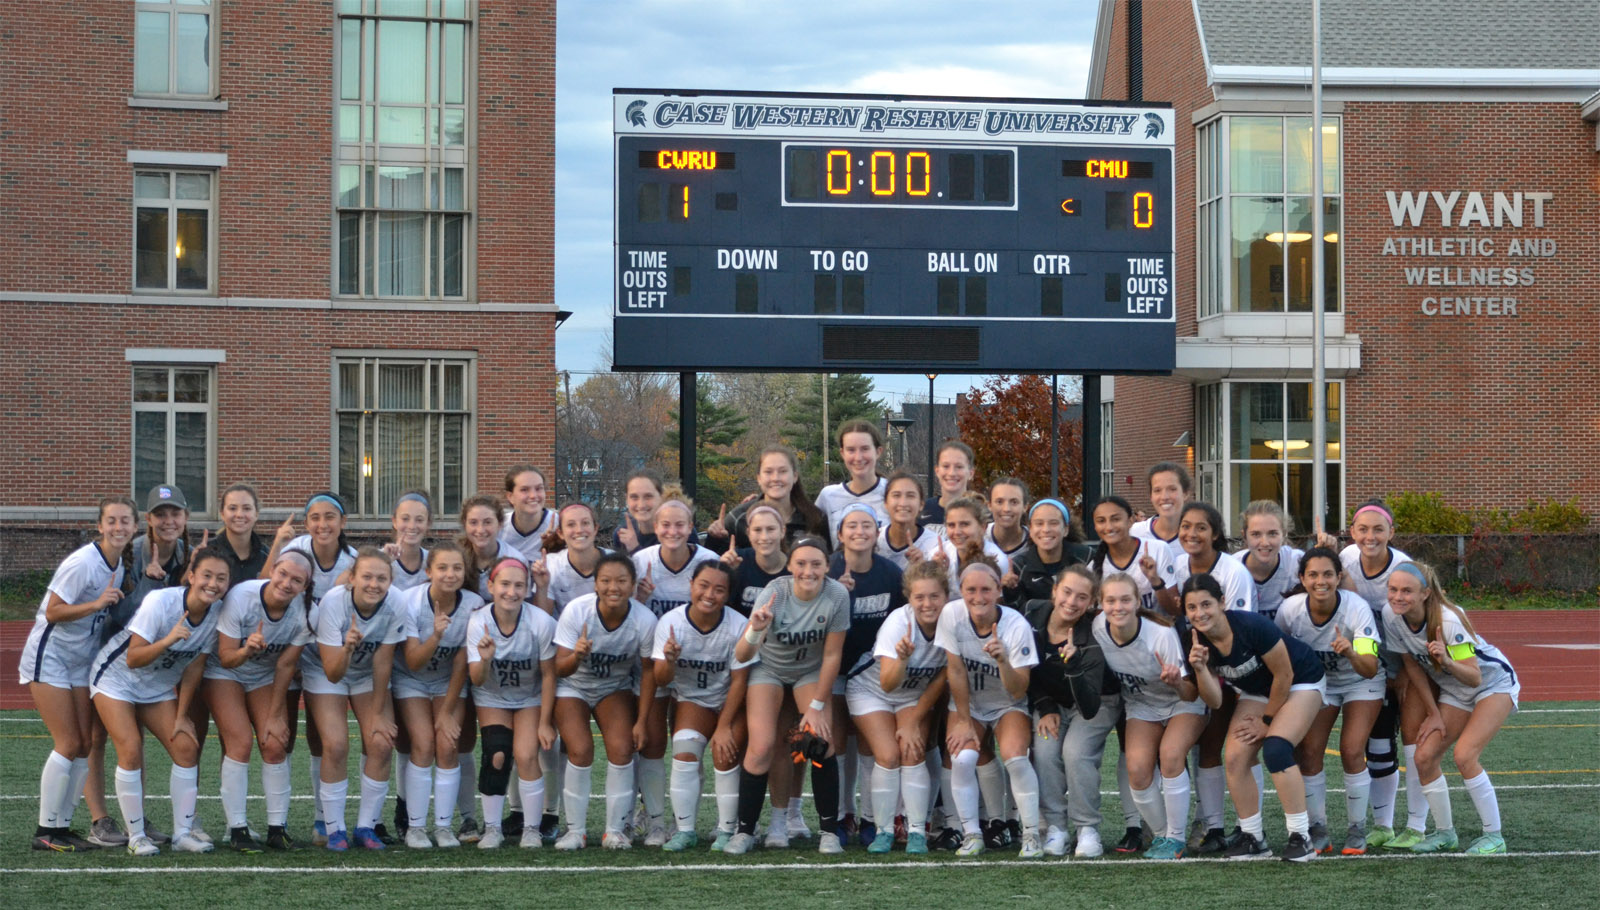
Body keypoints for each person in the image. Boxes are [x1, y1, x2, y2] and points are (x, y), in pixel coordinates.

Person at [90, 549, 232, 855]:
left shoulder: (217, 612)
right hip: (116, 679)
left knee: (186, 746)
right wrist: (168, 639)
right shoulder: (162, 602)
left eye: (221, 578)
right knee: (130, 747)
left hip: (157, 687)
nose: (213, 583)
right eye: (207, 575)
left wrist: (182, 715)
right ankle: (136, 836)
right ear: (191, 576)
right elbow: (132, 658)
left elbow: (195, 666)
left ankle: (182, 834)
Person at [1176, 574, 1327, 862]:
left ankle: (1301, 836)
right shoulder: (1193, 641)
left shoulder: (1250, 625)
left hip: (1300, 680)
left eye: (1206, 604)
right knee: (1234, 757)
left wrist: (1267, 721)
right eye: (1192, 607)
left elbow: (1284, 675)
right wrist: (1199, 668)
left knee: (1276, 747)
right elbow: (1215, 700)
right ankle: (1253, 837)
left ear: (1222, 602)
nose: (1200, 613)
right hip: (1256, 690)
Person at [85, 484, 197, 848]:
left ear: (185, 517)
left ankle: (138, 817)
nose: (168, 521)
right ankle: (99, 819)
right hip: (106, 652)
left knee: (135, 743)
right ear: (148, 520)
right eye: (160, 514)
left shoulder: (188, 556)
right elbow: (115, 613)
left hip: (149, 664)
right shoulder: (130, 552)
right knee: (99, 738)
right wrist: (148, 583)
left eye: (175, 513)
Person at [22, 495, 135, 852]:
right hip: (51, 656)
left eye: (125, 521)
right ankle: (45, 829)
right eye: (112, 521)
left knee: (86, 743)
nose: (118, 527)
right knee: (69, 742)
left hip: (79, 660)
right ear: (100, 526)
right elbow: (53, 612)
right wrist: (96, 604)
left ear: (135, 527)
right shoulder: (83, 562)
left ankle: (64, 826)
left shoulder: (119, 564)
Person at [724, 538, 851, 856]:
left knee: (820, 741)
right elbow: (742, 653)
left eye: (816, 564)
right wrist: (755, 629)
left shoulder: (836, 594)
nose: (808, 570)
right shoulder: (774, 593)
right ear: (790, 566)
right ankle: (745, 831)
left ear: (827, 566)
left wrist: (818, 707)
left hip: (809, 672)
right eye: (801, 563)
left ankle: (828, 831)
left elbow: (833, 656)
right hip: (768, 669)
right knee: (762, 746)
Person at [1383, 562, 1518, 856]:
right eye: (1393, 589)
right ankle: (1445, 833)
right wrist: (1433, 713)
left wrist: (1445, 662)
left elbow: (1474, 676)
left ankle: (1494, 836)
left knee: (1465, 755)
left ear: (1425, 594)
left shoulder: (1448, 619)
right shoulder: (1391, 616)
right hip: (1455, 690)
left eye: (1407, 590)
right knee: (1424, 756)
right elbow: (1411, 665)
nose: (1398, 596)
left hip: (1492, 684)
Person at [202, 550, 314, 852]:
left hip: (264, 674)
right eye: (283, 574)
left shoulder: (303, 612)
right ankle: (237, 828)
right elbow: (226, 658)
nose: (287, 583)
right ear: (272, 570)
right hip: (226, 670)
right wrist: (247, 650)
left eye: (297, 580)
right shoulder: (242, 596)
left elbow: (285, 666)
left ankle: (277, 828)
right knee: (239, 742)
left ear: (305, 586)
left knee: (275, 742)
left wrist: (277, 715)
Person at [1274, 546, 1384, 855]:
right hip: (1319, 683)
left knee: (1351, 750)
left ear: (1339, 577)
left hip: (1361, 682)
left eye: (1327, 574)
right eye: (1312, 575)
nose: (1320, 581)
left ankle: (1356, 828)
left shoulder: (1356, 608)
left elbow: (1370, 668)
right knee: (1309, 751)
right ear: (1302, 578)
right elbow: (1277, 655)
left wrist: (1350, 651)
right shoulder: (1291, 610)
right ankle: (1318, 827)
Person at [1091, 572, 1206, 860]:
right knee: (1138, 769)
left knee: (1170, 755)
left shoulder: (1160, 635)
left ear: (1137, 602)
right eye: (1111, 600)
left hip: (1181, 701)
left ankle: (1177, 838)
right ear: (1100, 603)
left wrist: (1176, 681)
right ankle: (1162, 834)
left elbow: (1191, 693)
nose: (1118, 607)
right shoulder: (1098, 628)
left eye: (1125, 600)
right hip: (1142, 703)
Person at [936, 560, 1042, 858]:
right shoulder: (952, 614)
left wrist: (1003, 660)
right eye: (971, 589)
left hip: (1007, 703)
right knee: (962, 758)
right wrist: (964, 720)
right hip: (969, 702)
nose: (978, 596)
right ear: (961, 590)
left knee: (1015, 758)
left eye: (986, 589)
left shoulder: (1016, 625)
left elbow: (1019, 689)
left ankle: (1030, 834)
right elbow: (955, 671)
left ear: (998, 591)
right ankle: (972, 833)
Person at [301, 548, 404, 851]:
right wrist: (347, 648)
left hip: (366, 674)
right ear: (352, 579)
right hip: (327, 669)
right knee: (335, 744)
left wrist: (379, 713)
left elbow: (384, 661)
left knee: (382, 741)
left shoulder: (396, 602)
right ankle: (334, 830)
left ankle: (366, 827)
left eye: (381, 578)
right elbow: (332, 673)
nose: (374, 584)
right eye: (367, 577)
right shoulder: (334, 603)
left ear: (390, 580)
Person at [552, 552, 656, 850]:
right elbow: (559, 668)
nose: (614, 587)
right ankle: (575, 831)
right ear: (595, 584)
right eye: (606, 581)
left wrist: (641, 721)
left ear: (633, 584)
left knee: (623, 749)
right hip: (574, 686)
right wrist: (577, 656)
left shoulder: (643, 619)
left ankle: (615, 830)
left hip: (614, 687)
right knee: (580, 749)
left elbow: (648, 673)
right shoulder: (577, 611)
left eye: (622, 581)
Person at [631, 495, 720, 841]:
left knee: (688, 743)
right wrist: (639, 598)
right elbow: (623, 608)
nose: (673, 530)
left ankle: (687, 821)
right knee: (651, 743)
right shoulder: (641, 562)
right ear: (655, 527)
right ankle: (653, 818)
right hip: (652, 663)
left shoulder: (708, 561)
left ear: (691, 527)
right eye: (665, 524)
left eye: (680, 524)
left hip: (698, 666)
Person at [651, 561, 750, 851]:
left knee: (725, 754)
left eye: (719, 590)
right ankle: (685, 829)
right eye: (704, 585)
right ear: (691, 585)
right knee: (684, 753)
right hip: (693, 699)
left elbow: (740, 680)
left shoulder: (738, 625)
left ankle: (726, 829)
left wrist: (723, 727)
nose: (709, 594)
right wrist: (669, 660)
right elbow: (661, 679)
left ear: (728, 595)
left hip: (731, 699)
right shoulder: (671, 622)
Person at [853, 560, 948, 854]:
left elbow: (944, 676)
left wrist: (913, 720)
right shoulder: (898, 622)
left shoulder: (953, 620)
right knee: (889, 754)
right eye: (920, 597)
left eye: (934, 596)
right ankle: (883, 831)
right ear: (909, 598)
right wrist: (903, 658)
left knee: (913, 749)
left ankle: (917, 830)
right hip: (871, 690)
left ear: (946, 595)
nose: (928, 603)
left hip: (913, 694)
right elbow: (887, 683)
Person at [1024, 565, 1117, 858]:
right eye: (1066, 592)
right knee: (1046, 750)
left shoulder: (1091, 636)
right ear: (1054, 591)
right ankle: (1056, 828)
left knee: (1076, 752)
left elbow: (1089, 707)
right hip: (1053, 701)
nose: (1071, 602)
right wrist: (1045, 705)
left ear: (1091, 603)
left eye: (1082, 597)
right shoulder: (1031, 616)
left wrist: (1073, 667)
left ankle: (1087, 829)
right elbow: (1026, 671)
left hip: (1095, 702)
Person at [393, 543, 482, 848]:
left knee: (448, 745)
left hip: (447, 682)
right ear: (428, 572)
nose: (450, 574)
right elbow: (414, 661)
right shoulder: (410, 602)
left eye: (457, 568)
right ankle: (416, 827)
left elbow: (461, 663)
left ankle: (443, 827)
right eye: (442, 568)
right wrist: (437, 635)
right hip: (411, 679)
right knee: (423, 743)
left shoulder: (473, 604)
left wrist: (445, 712)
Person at [1340, 499, 1417, 849]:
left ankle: (1418, 824)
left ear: (1391, 532)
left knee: (1417, 745)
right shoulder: (1343, 560)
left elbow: (1414, 625)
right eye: (1362, 529)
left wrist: (1403, 673)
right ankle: (1383, 824)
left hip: (1410, 661)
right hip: (1370, 664)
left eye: (1378, 529)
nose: (1370, 536)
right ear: (1352, 531)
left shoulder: (1403, 567)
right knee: (1380, 745)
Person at [466, 558, 558, 849]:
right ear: (491, 586)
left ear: (528, 588)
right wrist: (485, 658)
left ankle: (531, 828)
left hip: (530, 696)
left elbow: (548, 674)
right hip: (492, 695)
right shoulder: (478, 621)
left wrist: (545, 721)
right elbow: (477, 679)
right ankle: (492, 828)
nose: (512, 591)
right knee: (496, 754)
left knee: (527, 754)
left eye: (519, 585)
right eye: (504, 584)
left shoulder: (540, 622)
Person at [829, 504, 906, 844]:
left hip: (871, 671)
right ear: (840, 533)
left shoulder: (890, 573)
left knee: (867, 743)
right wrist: (835, 595)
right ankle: (843, 814)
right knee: (835, 740)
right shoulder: (828, 569)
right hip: (831, 666)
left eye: (866, 526)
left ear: (877, 533)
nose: (859, 532)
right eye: (851, 526)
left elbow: (901, 621)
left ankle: (871, 818)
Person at [707, 446, 829, 551]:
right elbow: (716, 568)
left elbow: (827, 562)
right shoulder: (738, 519)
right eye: (768, 472)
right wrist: (715, 539)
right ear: (759, 478)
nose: (776, 478)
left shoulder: (815, 518)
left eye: (783, 471)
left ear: (795, 476)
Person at [1088, 495, 1177, 615]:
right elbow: (1100, 618)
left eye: (1115, 519)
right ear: (1095, 526)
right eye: (1101, 521)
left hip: (1158, 630)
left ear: (1130, 521)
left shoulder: (1157, 549)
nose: (1108, 527)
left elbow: (1175, 610)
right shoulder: (1094, 568)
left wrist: (1155, 581)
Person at [814, 419, 889, 548]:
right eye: (851, 450)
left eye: (865, 449)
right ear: (842, 453)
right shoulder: (828, 496)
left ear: (878, 451)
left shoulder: (893, 493)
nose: (858, 457)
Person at [1007, 497, 1093, 607]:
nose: (1046, 529)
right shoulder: (1019, 566)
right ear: (1031, 529)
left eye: (1053, 523)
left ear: (1065, 529)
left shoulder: (1086, 557)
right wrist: (1009, 590)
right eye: (1039, 523)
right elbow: (1017, 611)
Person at [612, 469, 701, 554]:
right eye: (634, 497)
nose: (641, 504)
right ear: (626, 499)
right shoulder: (622, 534)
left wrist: (635, 548)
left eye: (648, 496)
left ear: (661, 496)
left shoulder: (678, 530)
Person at [723, 505, 790, 615]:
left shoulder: (795, 568)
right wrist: (725, 574)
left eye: (771, 529)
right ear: (748, 533)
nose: (764, 537)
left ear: (782, 531)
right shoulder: (737, 561)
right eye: (757, 530)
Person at [939, 497, 1011, 597]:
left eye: (964, 524)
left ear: (983, 527)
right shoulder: (939, 554)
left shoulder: (998, 560)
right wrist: (937, 574)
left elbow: (995, 606)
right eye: (951, 525)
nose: (957, 532)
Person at [459, 494, 523, 602]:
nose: (480, 530)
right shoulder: (455, 556)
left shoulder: (514, 560)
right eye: (473, 522)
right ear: (465, 524)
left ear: (500, 524)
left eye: (487, 522)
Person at [205, 483, 271, 587]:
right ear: (222, 513)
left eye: (247, 508)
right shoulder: (206, 551)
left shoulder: (267, 556)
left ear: (256, 514)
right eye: (232, 508)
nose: (239, 514)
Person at [876, 470, 941, 570]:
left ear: (921, 504)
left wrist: (925, 569)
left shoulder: (934, 545)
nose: (903, 503)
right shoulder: (874, 541)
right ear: (886, 503)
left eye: (910, 496)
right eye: (896, 495)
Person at [1130, 461, 1190, 564]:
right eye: (1157, 490)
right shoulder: (1134, 534)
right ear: (1151, 496)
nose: (1164, 497)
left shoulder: (1195, 538)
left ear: (1185, 493)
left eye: (1172, 489)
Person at [500, 464, 557, 564]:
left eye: (539, 488)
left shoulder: (560, 525)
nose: (533, 495)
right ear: (510, 496)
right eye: (524, 490)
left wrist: (556, 547)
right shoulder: (498, 528)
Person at [918, 440, 975, 530]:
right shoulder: (920, 510)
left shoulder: (984, 514)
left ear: (971, 473)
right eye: (946, 466)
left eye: (959, 467)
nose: (951, 473)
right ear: (937, 471)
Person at [385, 491, 433, 592]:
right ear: (394, 521)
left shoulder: (434, 562)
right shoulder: (379, 558)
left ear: (428, 523)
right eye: (405, 519)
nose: (412, 526)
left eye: (419, 520)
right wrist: (382, 563)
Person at [984, 476, 1031, 564]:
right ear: (989, 505)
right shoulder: (979, 537)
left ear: (1025, 507)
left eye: (1014, 502)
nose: (1006, 509)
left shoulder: (1035, 542)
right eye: (999, 502)